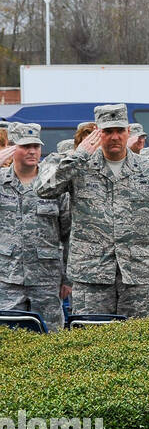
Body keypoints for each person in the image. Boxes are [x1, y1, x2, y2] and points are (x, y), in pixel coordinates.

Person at [36, 103, 149, 318]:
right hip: (91, 274)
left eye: (120, 131)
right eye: (108, 131)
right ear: (97, 133)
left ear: (128, 132)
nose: (114, 137)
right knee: (90, 339)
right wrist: (77, 156)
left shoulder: (148, 170)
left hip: (136, 273)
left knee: (138, 340)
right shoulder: (79, 165)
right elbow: (44, 189)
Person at [0, 122, 70, 331]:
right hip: (7, 278)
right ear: (13, 148)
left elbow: (68, 233)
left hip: (47, 279)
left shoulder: (53, 184)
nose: (32, 151)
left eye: (36, 146)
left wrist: (68, 279)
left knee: (51, 337)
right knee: (8, 339)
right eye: (25, 146)